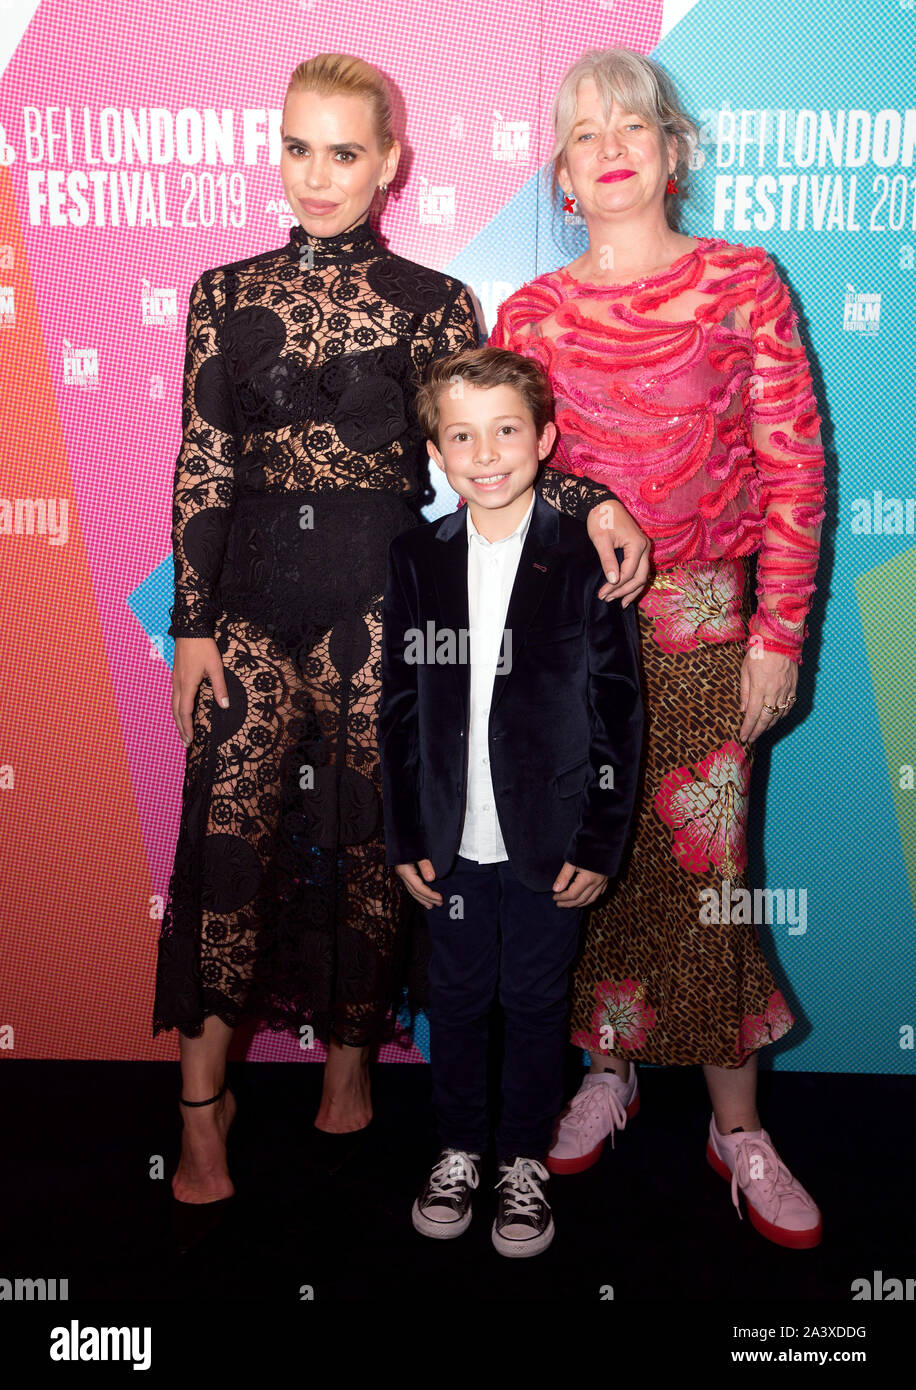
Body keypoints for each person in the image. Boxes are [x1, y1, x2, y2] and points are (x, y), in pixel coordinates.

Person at [155, 51, 650, 1212]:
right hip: (251, 614)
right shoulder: (223, 292)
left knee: (379, 854)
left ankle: (346, 1066)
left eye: (342, 152)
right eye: (295, 147)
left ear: (389, 165)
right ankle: (200, 1108)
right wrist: (190, 625)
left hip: (389, 617)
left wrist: (592, 498)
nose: (315, 174)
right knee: (225, 849)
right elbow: (204, 461)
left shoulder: (435, 301)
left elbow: (490, 450)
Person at [487, 47, 827, 1249]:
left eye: (633, 123)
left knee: (707, 875)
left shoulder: (742, 282)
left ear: (674, 150)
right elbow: (513, 480)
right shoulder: (526, 314)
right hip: (567, 634)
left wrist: (777, 633)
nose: (612, 143)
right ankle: (605, 1069)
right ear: (566, 175)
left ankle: (738, 1127)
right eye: (584, 133)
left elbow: (792, 468)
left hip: (700, 624)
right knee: (585, 860)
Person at [378, 345, 644, 1256]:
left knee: (535, 1001)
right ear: (436, 455)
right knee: (453, 998)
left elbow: (617, 704)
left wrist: (602, 838)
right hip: (450, 833)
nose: (486, 453)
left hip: (550, 834)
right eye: (462, 436)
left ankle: (523, 1159)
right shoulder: (416, 556)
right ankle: (458, 1148)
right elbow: (400, 701)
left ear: (547, 441)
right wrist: (406, 827)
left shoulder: (582, 556)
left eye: (505, 431)